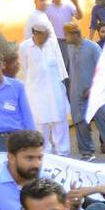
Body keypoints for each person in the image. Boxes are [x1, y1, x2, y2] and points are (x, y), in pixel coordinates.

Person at [65, 24, 105, 161]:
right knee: (80, 122)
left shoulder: (93, 47)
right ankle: (87, 152)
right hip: (77, 93)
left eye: (67, 35)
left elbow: (104, 69)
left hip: (96, 92)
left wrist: (93, 88)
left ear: (76, 34)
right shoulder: (70, 47)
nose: (65, 38)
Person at [18, 19, 70, 155]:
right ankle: (45, 156)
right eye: (43, 34)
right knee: (40, 125)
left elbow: (60, 68)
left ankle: (63, 154)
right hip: (35, 93)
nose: (46, 37)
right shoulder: (24, 47)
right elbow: (24, 71)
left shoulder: (52, 44)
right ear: (35, 33)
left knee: (60, 122)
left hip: (55, 90)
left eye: (48, 33)